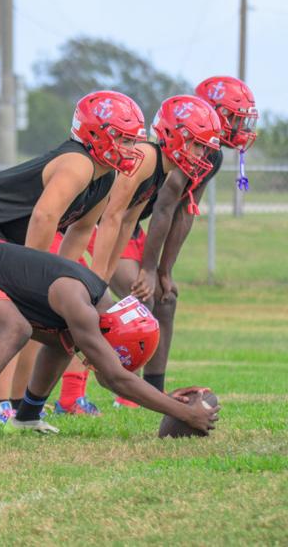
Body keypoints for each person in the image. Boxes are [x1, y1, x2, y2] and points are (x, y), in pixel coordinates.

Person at [0, 91, 147, 422]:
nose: (131, 148)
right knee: (14, 314)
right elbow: (44, 217)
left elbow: (79, 231)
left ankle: (20, 404)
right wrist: (31, 280)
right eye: (122, 137)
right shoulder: (78, 163)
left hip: (3, 237)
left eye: (132, 139)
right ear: (96, 133)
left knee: (45, 318)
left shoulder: (105, 176)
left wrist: (60, 279)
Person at [0, 242, 220, 443]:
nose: (103, 357)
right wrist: (181, 412)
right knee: (15, 328)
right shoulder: (80, 304)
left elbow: (112, 374)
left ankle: (27, 416)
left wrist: (167, 400)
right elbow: (115, 378)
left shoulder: (101, 303)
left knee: (62, 339)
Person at [78, 94, 225, 409]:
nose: (202, 152)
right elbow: (158, 210)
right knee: (134, 301)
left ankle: (153, 389)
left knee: (165, 299)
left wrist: (164, 271)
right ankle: (121, 394)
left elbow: (183, 211)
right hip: (96, 224)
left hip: (128, 227)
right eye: (235, 117)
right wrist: (148, 270)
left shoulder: (209, 156)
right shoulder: (157, 155)